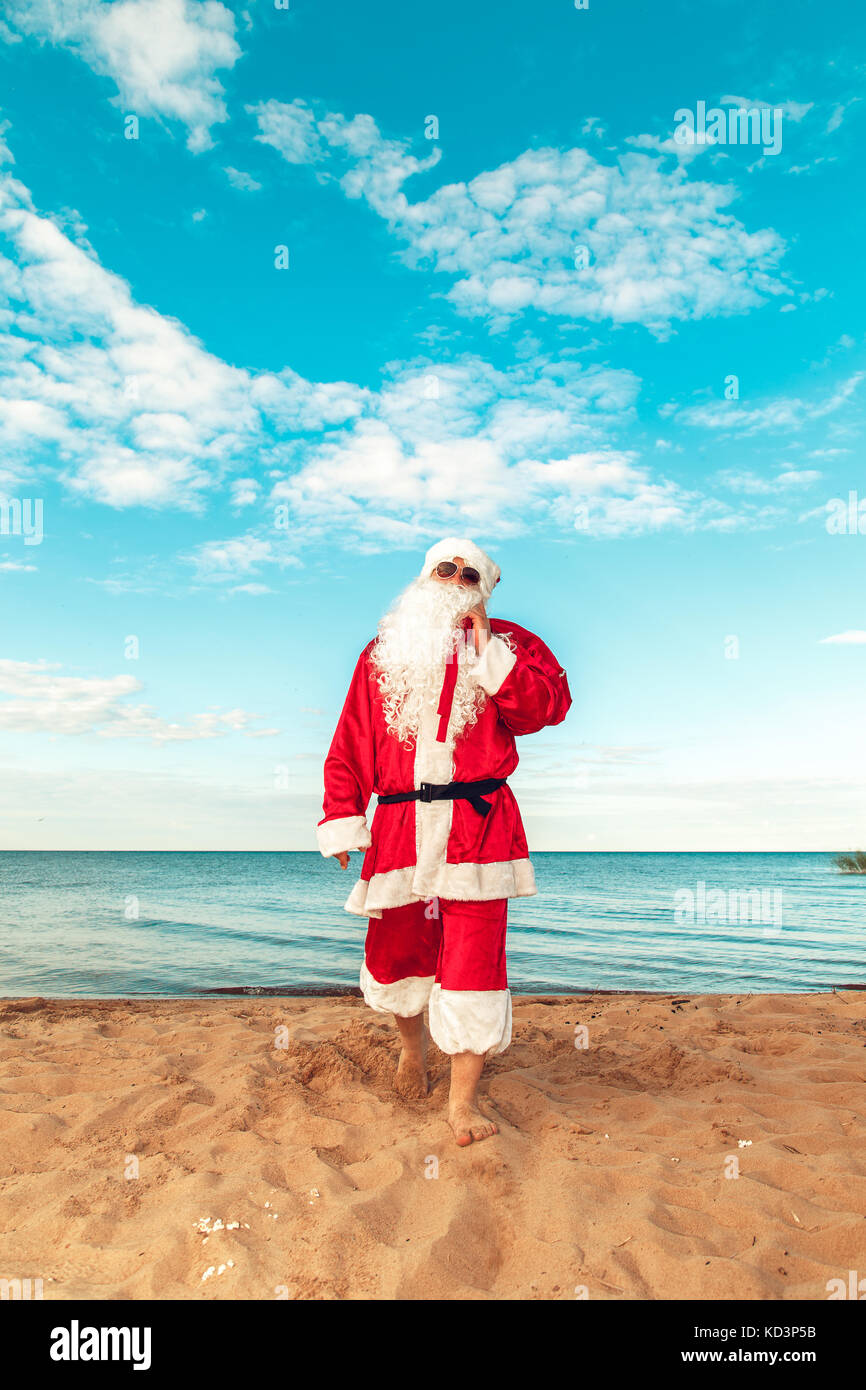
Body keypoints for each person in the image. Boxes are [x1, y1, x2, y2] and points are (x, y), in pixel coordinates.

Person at [316, 538, 571, 1145]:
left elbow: (546, 709)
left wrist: (488, 650)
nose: (456, 578)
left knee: (474, 961)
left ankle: (462, 1104)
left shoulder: (514, 644)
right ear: (424, 575)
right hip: (401, 825)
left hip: (479, 825)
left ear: (484, 586)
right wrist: (343, 816)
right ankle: (412, 1051)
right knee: (398, 951)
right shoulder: (382, 650)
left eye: (469, 572)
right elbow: (351, 737)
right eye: (445, 568)